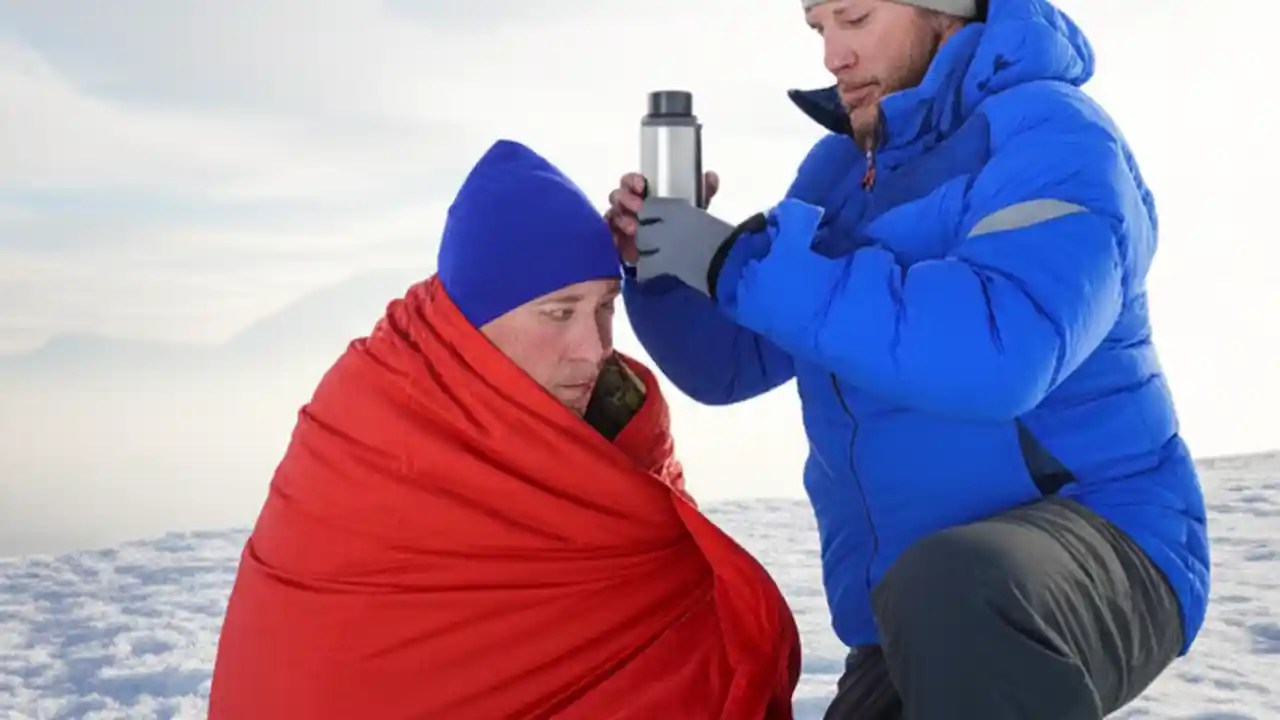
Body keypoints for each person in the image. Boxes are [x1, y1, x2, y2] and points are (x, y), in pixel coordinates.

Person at [605, 0, 1208, 717]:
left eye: (855, 20)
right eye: (819, 28)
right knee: (937, 599)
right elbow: (729, 363)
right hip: (913, 613)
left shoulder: (1055, 137)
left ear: (944, 15)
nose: (832, 55)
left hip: (1100, 543)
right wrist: (674, 271)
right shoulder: (840, 172)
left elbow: (1002, 353)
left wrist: (742, 263)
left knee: (951, 590)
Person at [208, 139, 801, 720]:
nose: (592, 349)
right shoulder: (375, 427)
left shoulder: (616, 426)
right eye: (559, 313)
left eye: (604, 308)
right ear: (475, 321)